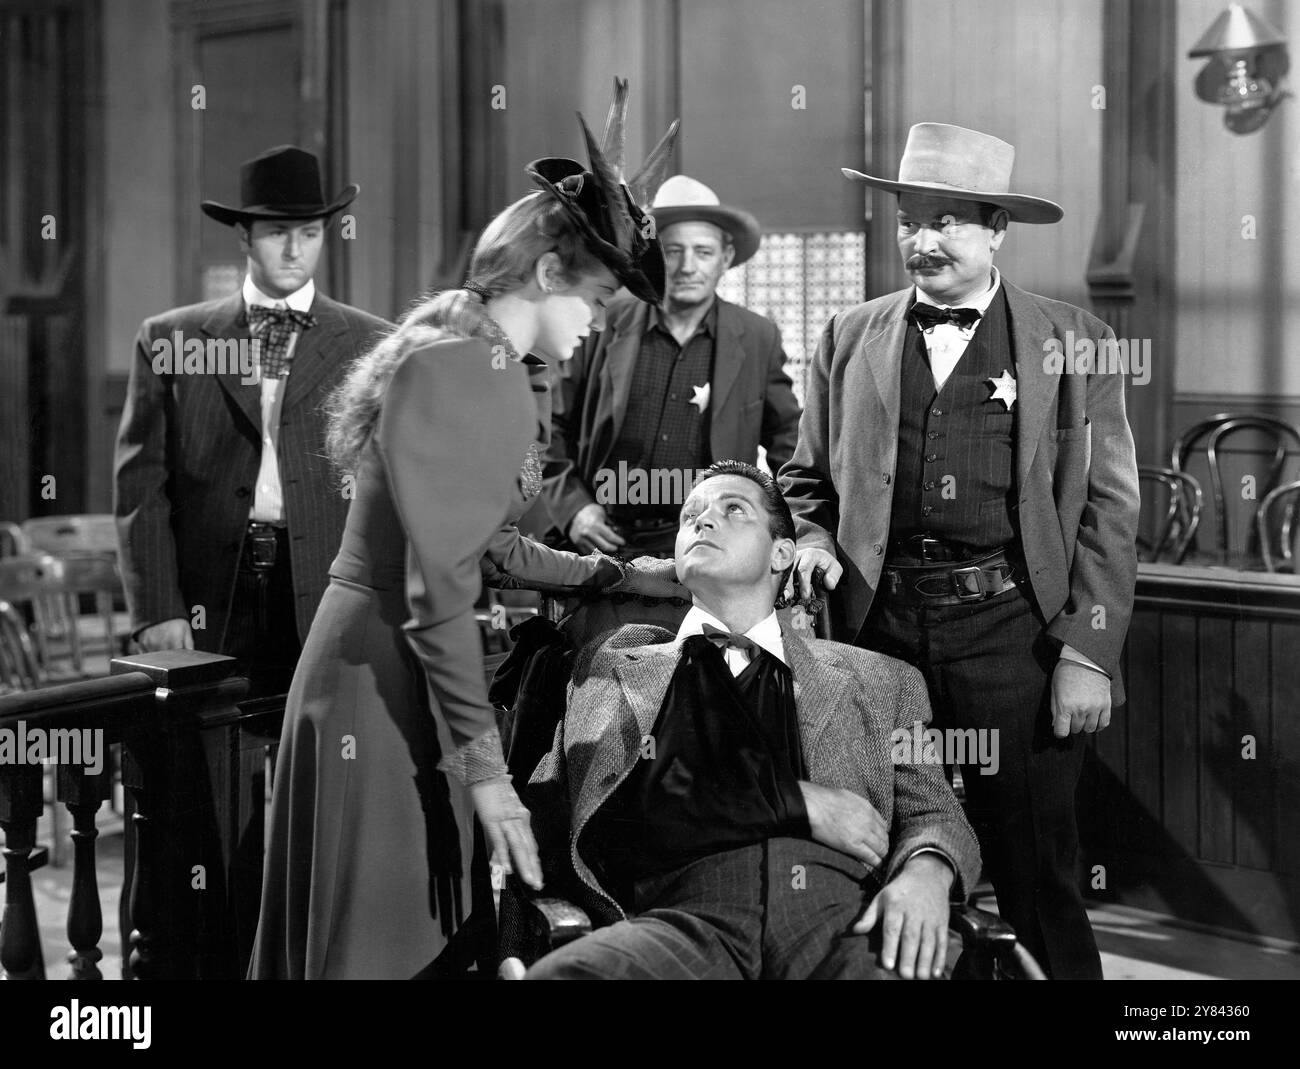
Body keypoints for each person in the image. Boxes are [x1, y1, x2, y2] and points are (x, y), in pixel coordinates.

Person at [248, 96, 683, 979]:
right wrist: (489, 780)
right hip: (383, 678)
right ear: (553, 273)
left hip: (386, 663)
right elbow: (441, 595)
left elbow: (485, 546)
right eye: (598, 296)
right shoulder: (470, 373)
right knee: (381, 940)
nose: (598, 322)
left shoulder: (478, 360)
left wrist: (614, 573)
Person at [779, 123, 1141, 980]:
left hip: (1015, 635)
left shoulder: (1075, 339)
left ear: (995, 231)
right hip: (875, 637)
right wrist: (816, 535)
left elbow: (1111, 510)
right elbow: (803, 478)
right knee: (884, 864)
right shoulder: (847, 336)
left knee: (1036, 873)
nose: (922, 240)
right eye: (911, 219)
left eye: (946, 221)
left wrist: (1087, 651)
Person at [521, 461, 980, 980]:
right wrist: (791, 801)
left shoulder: (882, 680)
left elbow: (936, 813)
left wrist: (927, 871)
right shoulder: (613, 663)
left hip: (842, 920)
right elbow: (603, 810)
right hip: (685, 917)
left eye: (732, 510)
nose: (702, 522)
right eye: (690, 515)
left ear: (782, 552)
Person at [114, 145, 390, 696]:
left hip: (325, 581)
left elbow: (389, 486)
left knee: (316, 758)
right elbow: (141, 485)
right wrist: (156, 610)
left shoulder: (370, 341)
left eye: (309, 233)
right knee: (204, 763)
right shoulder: (172, 338)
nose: (294, 250)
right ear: (243, 236)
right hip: (210, 588)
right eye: (276, 233)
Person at [543, 175, 801, 560]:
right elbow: (546, 427)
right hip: (600, 540)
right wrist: (573, 509)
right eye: (672, 250)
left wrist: (792, 530)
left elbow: (790, 447)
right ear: (650, 254)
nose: (687, 266)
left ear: (726, 258)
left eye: (703, 252)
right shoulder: (600, 320)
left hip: (708, 547)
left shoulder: (758, 337)